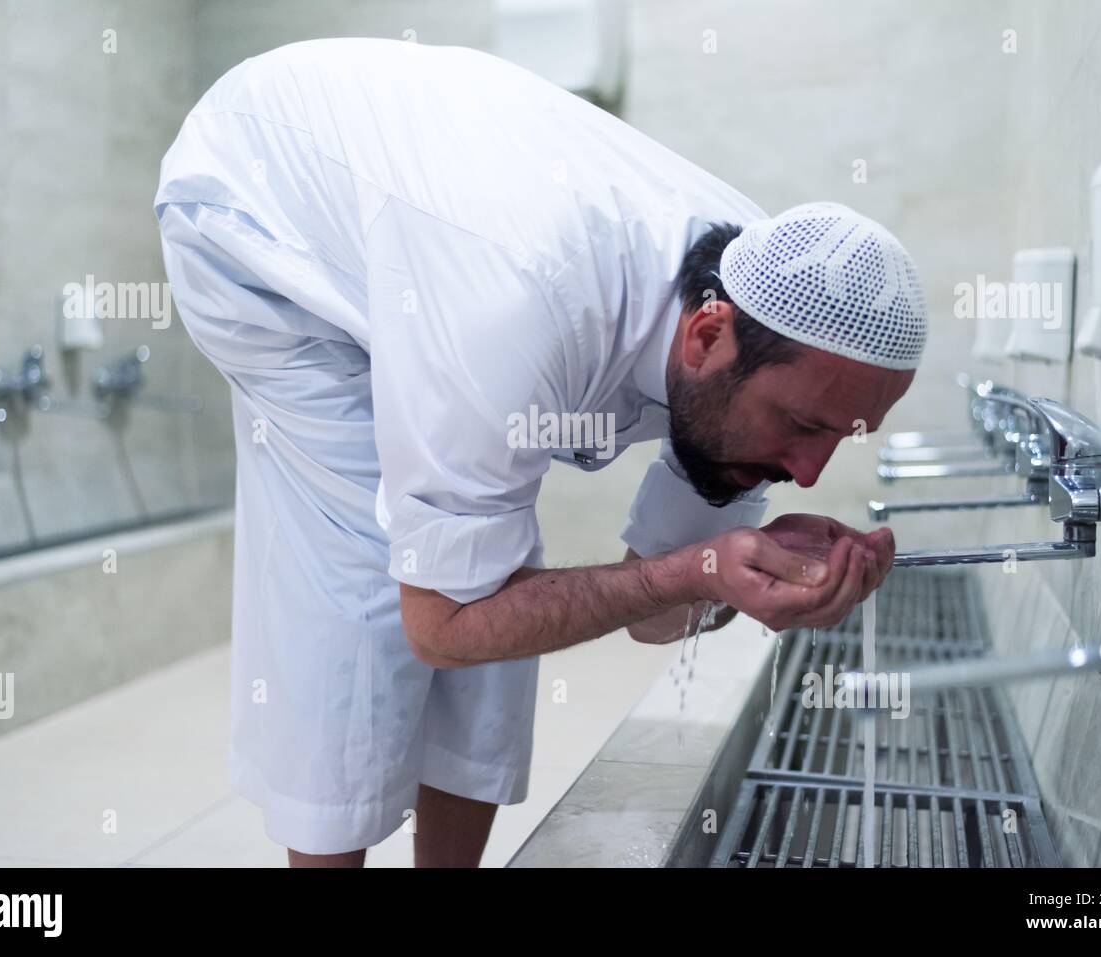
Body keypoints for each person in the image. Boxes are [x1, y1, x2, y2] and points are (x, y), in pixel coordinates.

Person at [154, 38, 927, 868]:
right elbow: (442, 627)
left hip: (435, 229)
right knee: (366, 588)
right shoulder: (521, 308)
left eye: (839, 436)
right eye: (805, 427)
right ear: (707, 335)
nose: (809, 471)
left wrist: (749, 574)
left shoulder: (764, 303)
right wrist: (694, 567)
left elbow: (654, 619)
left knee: (496, 564)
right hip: (255, 200)